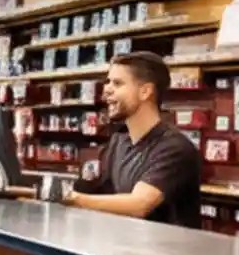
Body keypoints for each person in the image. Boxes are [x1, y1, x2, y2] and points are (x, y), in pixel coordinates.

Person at [66, 51, 201, 228]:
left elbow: (139, 205)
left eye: (117, 83)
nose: (106, 89)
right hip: (126, 249)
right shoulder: (118, 143)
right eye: (108, 82)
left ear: (145, 91)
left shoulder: (174, 148)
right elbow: (99, 190)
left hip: (167, 252)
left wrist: (73, 199)